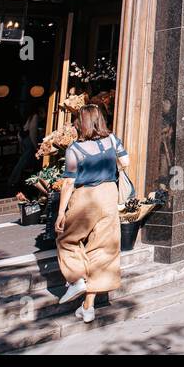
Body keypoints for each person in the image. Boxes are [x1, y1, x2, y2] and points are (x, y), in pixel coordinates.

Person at [55, 104, 128, 323]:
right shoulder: (113, 140)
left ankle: (76, 279)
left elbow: (68, 183)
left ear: (81, 122)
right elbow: (125, 163)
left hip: (86, 196)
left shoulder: (74, 149)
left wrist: (61, 213)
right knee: (102, 250)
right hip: (108, 194)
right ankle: (88, 307)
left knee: (67, 240)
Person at [8, 104, 45, 191]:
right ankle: (14, 180)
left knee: (24, 161)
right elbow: (32, 132)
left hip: (25, 140)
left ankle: (17, 180)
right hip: (29, 142)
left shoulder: (31, 116)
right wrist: (36, 146)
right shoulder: (35, 116)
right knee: (23, 162)